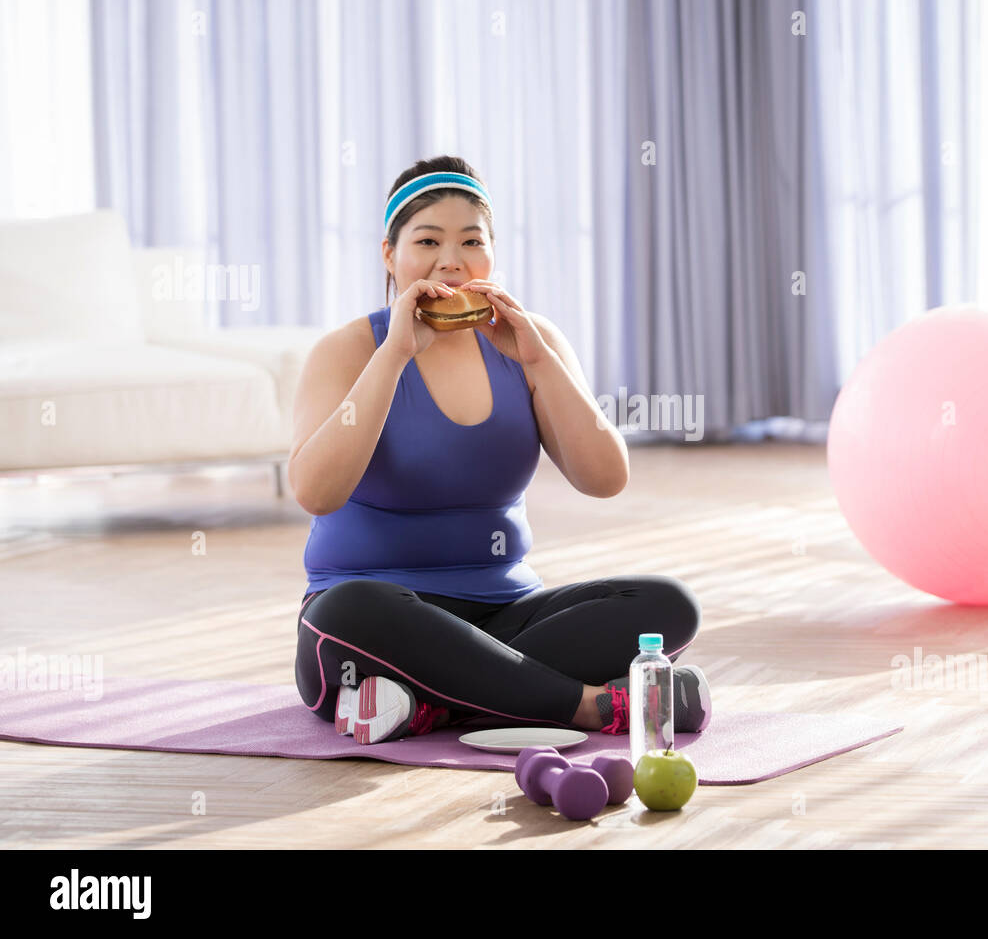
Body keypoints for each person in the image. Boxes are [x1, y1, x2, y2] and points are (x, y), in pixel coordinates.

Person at [290, 155, 711, 744]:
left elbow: (604, 478)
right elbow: (315, 491)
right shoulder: (347, 350)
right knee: (346, 611)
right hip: (374, 621)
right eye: (427, 241)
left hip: (505, 615)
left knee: (668, 605)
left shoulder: (532, 342)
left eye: (471, 241)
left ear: (492, 252)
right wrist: (394, 357)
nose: (451, 261)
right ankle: (588, 706)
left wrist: (539, 363)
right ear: (390, 255)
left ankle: (434, 700)